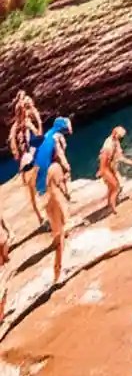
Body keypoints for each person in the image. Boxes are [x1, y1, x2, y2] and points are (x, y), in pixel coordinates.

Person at [34, 117, 73, 282]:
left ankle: (57, 241)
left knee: (57, 229)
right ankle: (58, 271)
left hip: (42, 187)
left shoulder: (48, 135)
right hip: (52, 188)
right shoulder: (57, 140)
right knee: (62, 228)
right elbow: (62, 157)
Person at [8, 91, 44, 224]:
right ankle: (45, 213)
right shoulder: (27, 124)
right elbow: (39, 136)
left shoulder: (13, 129)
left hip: (24, 163)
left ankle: (40, 217)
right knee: (41, 184)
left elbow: (14, 151)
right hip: (30, 160)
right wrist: (39, 121)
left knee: (32, 193)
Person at [96, 126, 132, 215]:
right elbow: (106, 159)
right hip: (106, 168)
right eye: (121, 137)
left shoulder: (114, 141)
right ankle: (114, 209)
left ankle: (111, 203)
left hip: (110, 167)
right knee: (116, 187)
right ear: (116, 135)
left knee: (113, 187)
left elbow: (119, 157)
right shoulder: (108, 146)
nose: (122, 139)